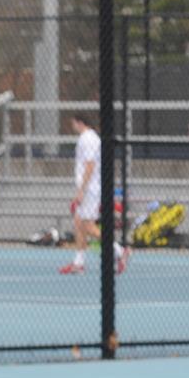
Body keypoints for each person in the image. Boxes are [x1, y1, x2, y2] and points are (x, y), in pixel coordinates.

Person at [62, 110, 128, 275]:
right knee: (78, 222)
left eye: (73, 123)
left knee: (88, 225)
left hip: (90, 190)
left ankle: (119, 251)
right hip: (89, 188)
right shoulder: (88, 138)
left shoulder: (88, 139)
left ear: (79, 122)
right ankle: (79, 262)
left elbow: (90, 165)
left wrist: (82, 190)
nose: (73, 126)